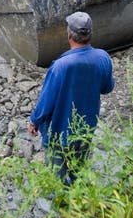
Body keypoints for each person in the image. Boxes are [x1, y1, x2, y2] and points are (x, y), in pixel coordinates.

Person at [27, 11, 115, 184]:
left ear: (69, 35)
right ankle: (77, 199)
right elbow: (107, 88)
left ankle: (60, 204)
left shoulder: (60, 66)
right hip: (86, 128)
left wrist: (34, 120)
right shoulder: (103, 57)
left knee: (56, 176)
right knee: (79, 171)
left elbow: (46, 101)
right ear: (90, 34)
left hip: (60, 132)